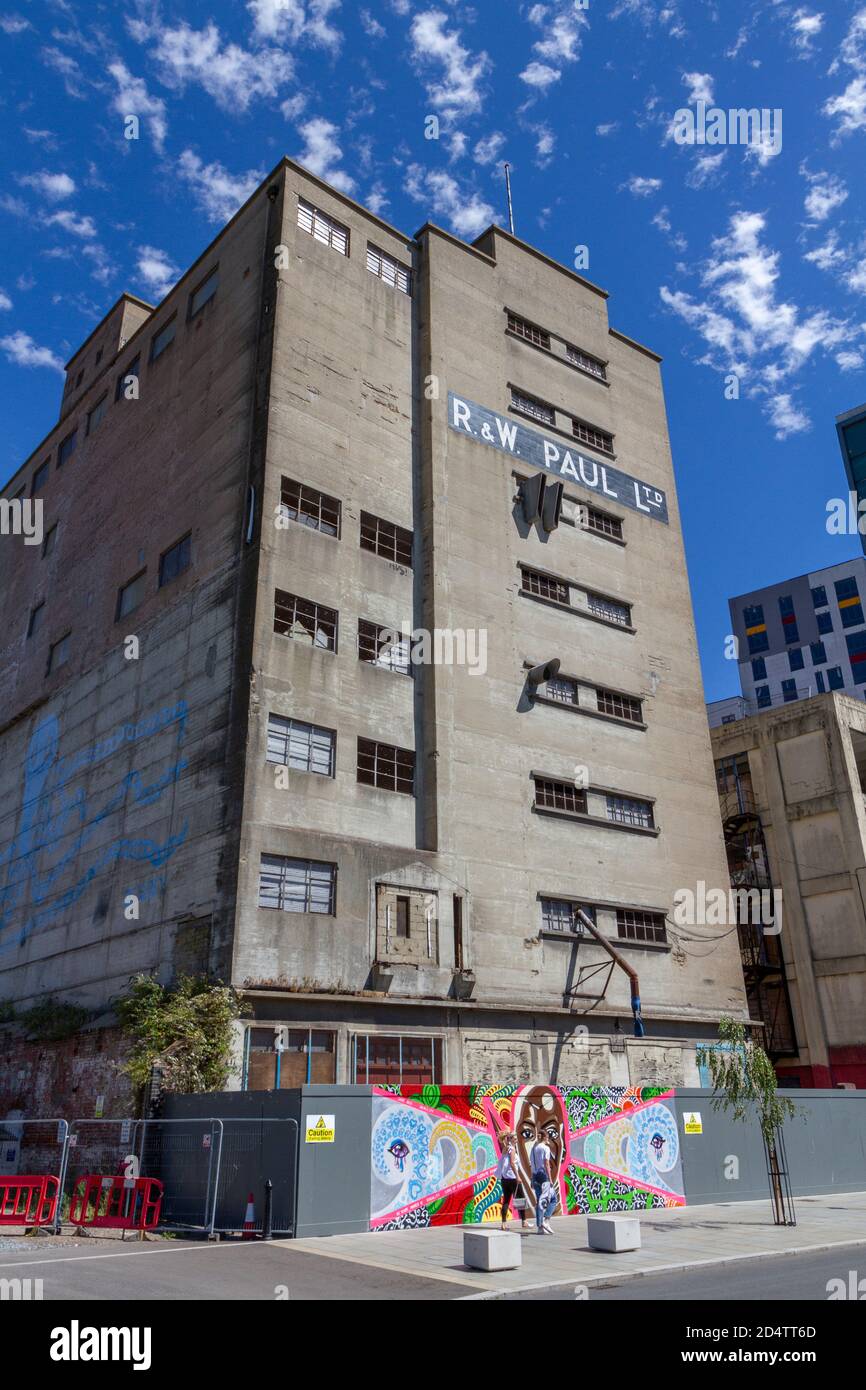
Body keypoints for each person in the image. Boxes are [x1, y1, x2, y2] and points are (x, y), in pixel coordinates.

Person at [530, 1132, 558, 1235]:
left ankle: (540, 1227)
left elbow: (531, 1164)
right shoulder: (545, 1148)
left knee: (539, 1201)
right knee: (554, 1199)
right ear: (545, 1137)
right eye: (548, 1137)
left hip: (535, 1176)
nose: (548, 1140)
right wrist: (550, 1179)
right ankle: (546, 1220)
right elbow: (546, 1164)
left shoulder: (533, 1149)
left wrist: (531, 1179)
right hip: (543, 1176)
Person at [496, 1132, 520, 1230]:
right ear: (511, 1140)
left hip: (504, 1178)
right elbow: (512, 1163)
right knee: (519, 1198)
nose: (517, 1139)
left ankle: (503, 1223)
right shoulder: (512, 1149)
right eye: (515, 1138)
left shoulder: (505, 1149)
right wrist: (518, 1176)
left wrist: (505, 1137)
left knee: (506, 1201)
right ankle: (524, 1221)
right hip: (512, 1177)